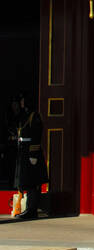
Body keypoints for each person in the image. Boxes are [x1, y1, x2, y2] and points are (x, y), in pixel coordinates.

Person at [11, 93, 48, 221]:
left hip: (32, 153)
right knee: (27, 182)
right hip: (24, 151)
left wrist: (33, 153)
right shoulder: (24, 115)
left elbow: (36, 135)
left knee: (33, 183)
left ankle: (32, 209)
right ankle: (29, 208)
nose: (21, 102)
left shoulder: (34, 116)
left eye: (22, 100)